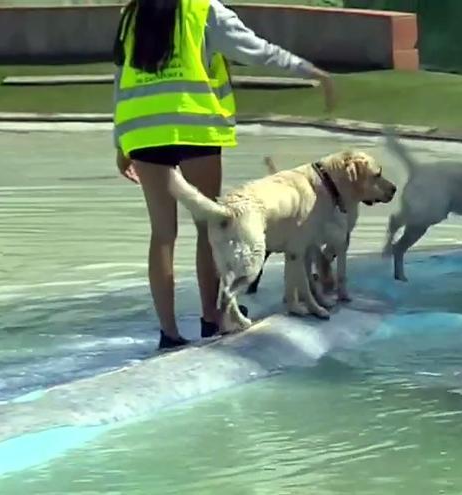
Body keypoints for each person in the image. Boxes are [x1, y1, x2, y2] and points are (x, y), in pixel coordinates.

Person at [112, 0, 336, 350]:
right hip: (194, 126)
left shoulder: (133, 13)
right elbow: (255, 49)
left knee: (163, 235)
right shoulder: (203, 10)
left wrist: (121, 143)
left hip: (143, 132)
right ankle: (212, 319)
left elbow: (121, 81)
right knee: (208, 228)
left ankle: (169, 334)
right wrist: (309, 69)